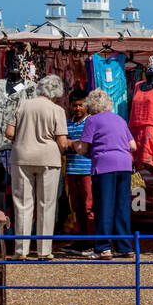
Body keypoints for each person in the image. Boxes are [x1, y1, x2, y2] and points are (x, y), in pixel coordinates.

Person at [5, 75, 71, 260]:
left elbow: (9, 133)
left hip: (22, 156)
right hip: (48, 158)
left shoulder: (23, 104)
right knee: (47, 205)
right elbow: (62, 142)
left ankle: (21, 250)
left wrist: (25, 135)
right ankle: (44, 250)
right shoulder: (57, 110)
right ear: (56, 92)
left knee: (22, 204)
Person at [72, 88, 138, 260]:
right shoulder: (119, 119)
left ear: (91, 105)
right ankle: (124, 247)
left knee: (103, 207)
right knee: (122, 206)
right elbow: (133, 146)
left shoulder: (92, 120)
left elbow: (83, 148)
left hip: (104, 166)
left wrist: (72, 143)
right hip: (124, 165)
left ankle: (103, 248)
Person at [63, 89, 94, 249]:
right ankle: (81, 240)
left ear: (87, 106)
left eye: (81, 105)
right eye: (75, 105)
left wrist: (71, 143)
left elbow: (86, 146)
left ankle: (92, 241)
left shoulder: (91, 122)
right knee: (77, 208)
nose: (78, 109)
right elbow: (64, 145)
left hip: (87, 171)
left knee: (89, 207)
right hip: (71, 170)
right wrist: (73, 144)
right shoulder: (67, 123)